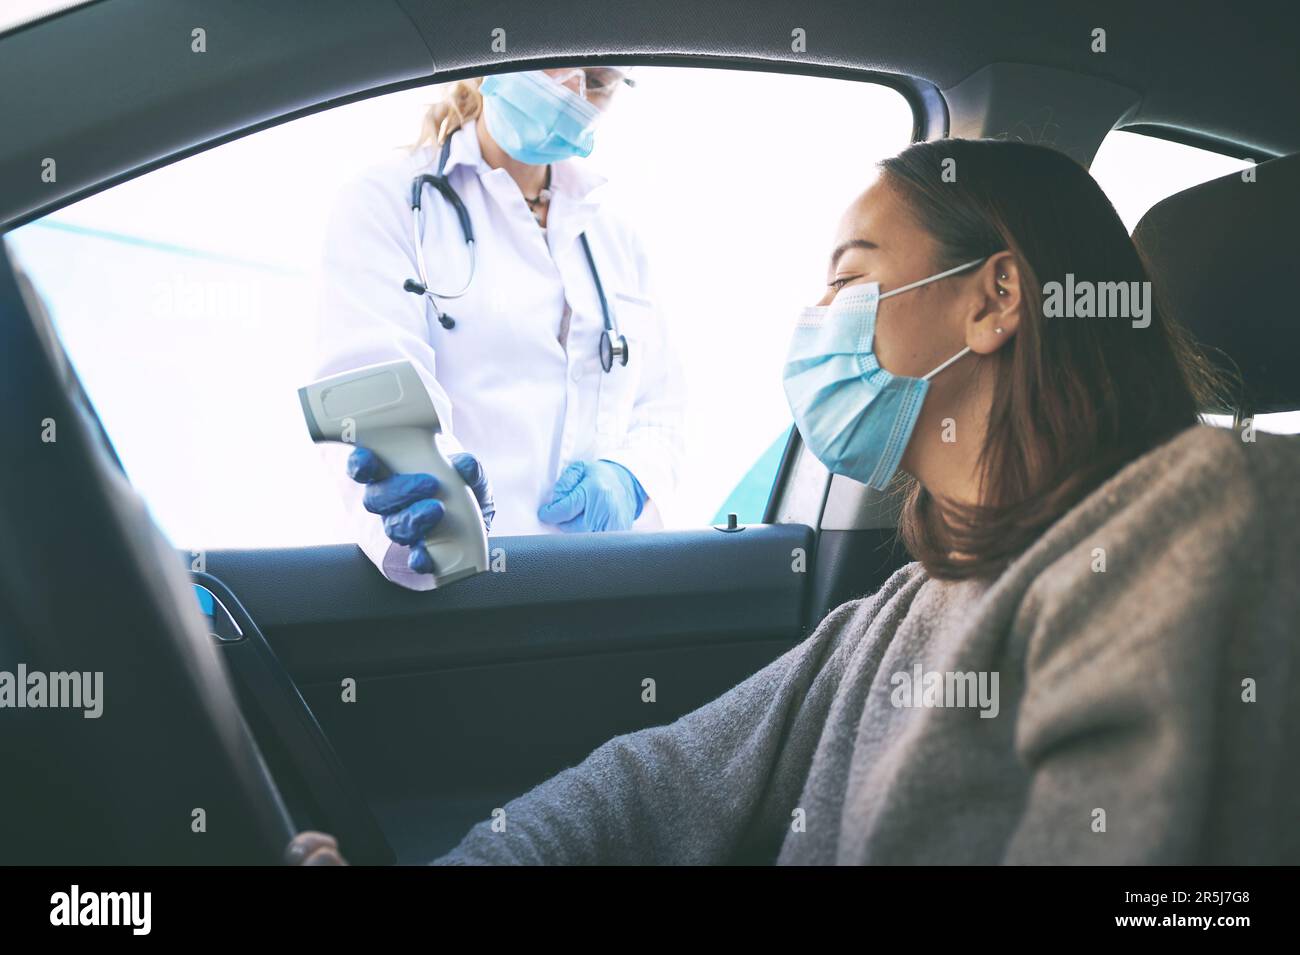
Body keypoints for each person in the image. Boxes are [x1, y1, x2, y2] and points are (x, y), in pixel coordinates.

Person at [421, 138, 1300, 864]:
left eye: (846, 277)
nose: (818, 313)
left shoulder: (1201, 515)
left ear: (995, 299)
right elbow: (652, 783)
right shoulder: (906, 605)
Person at [314, 68, 684, 590]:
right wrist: (431, 508)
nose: (574, 93)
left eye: (600, 80)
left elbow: (663, 405)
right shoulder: (387, 202)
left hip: (602, 584)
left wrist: (632, 478)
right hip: (464, 589)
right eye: (562, 64)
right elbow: (371, 387)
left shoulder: (616, 236)